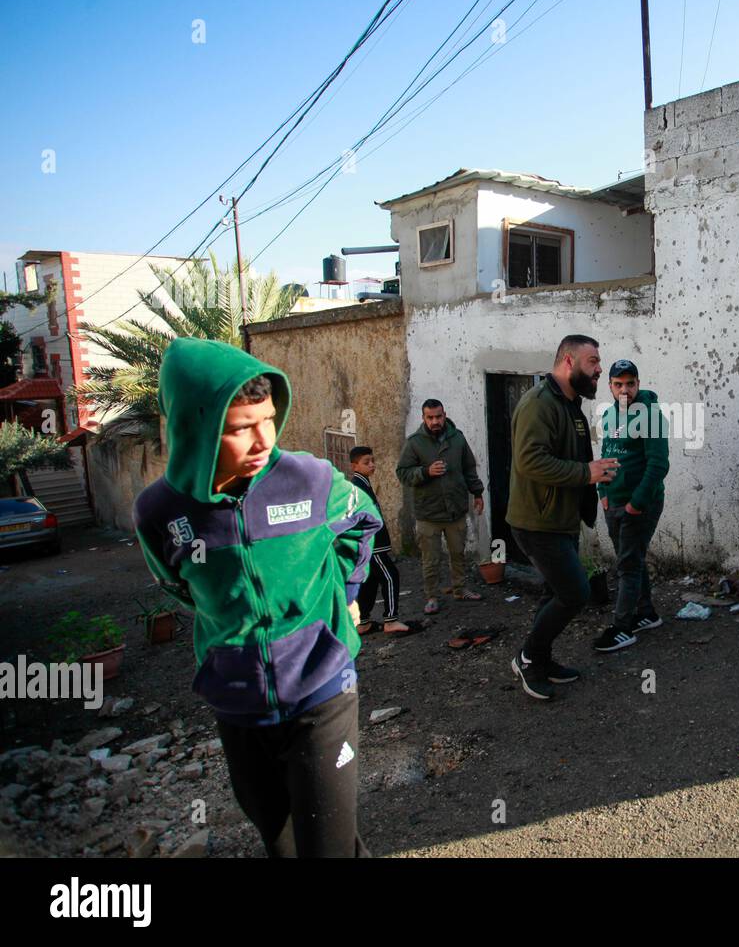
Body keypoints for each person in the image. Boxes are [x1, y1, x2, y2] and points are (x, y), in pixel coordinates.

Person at [133, 337, 381, 858]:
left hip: (323, 690)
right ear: (195, 430)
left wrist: (345, 591)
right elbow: (177, 584)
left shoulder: (307, 478)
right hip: (238, 703)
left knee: (328, 848)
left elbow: (362, 521)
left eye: (268, 419)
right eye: (241, 427)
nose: (263, 439)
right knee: (282, 843)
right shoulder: (160, 513)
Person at [506, 335, 620, 700]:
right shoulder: (538, 404)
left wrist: (594, 479)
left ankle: (540, 658)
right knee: (575, 593)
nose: (599, 369)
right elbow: (530, 461)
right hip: (536, 521)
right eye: (593, 361)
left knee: (558, 591)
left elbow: (574, 459)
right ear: (568, 362)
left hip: (562, 518)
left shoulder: (571, 405)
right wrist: (586, 473)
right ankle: (527, 658)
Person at [595, 359, 669, 652]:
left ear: (638, 383)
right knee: (633, 558)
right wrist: (602, 488)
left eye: (630, 383)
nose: (624, 390)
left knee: (627, 563)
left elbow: (658, 464)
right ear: (610, 386)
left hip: (640, 503)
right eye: (618, 384)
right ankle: (647, 613)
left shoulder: (651, 415)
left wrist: (636, 504)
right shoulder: (610, 415)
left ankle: (622, 627)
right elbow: (606, 452)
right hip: (613, 500)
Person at [395, 399, 485, 615]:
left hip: (455, 509)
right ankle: (432, 596)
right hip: (429, 513)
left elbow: (469, 468)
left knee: (458, 553)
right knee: (431, 559)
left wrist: (478, 493)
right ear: (424, 418)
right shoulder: (415, 443)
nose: (435, 421)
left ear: (444, 415)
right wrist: (425, 472)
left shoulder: (458, 438)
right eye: (430, 417)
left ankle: (460, 589)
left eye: (438, 416)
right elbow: (403, 473)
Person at [349, 445, 413, 635]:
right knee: (390, 576)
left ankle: (363, 622)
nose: (372, 465)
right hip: (372, 544)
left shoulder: (363, 484)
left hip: (371, 544)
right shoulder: (358, 487)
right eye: (366, 462)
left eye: (372, 461)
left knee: (369, 582)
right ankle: (391, 620)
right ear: (354, 466)